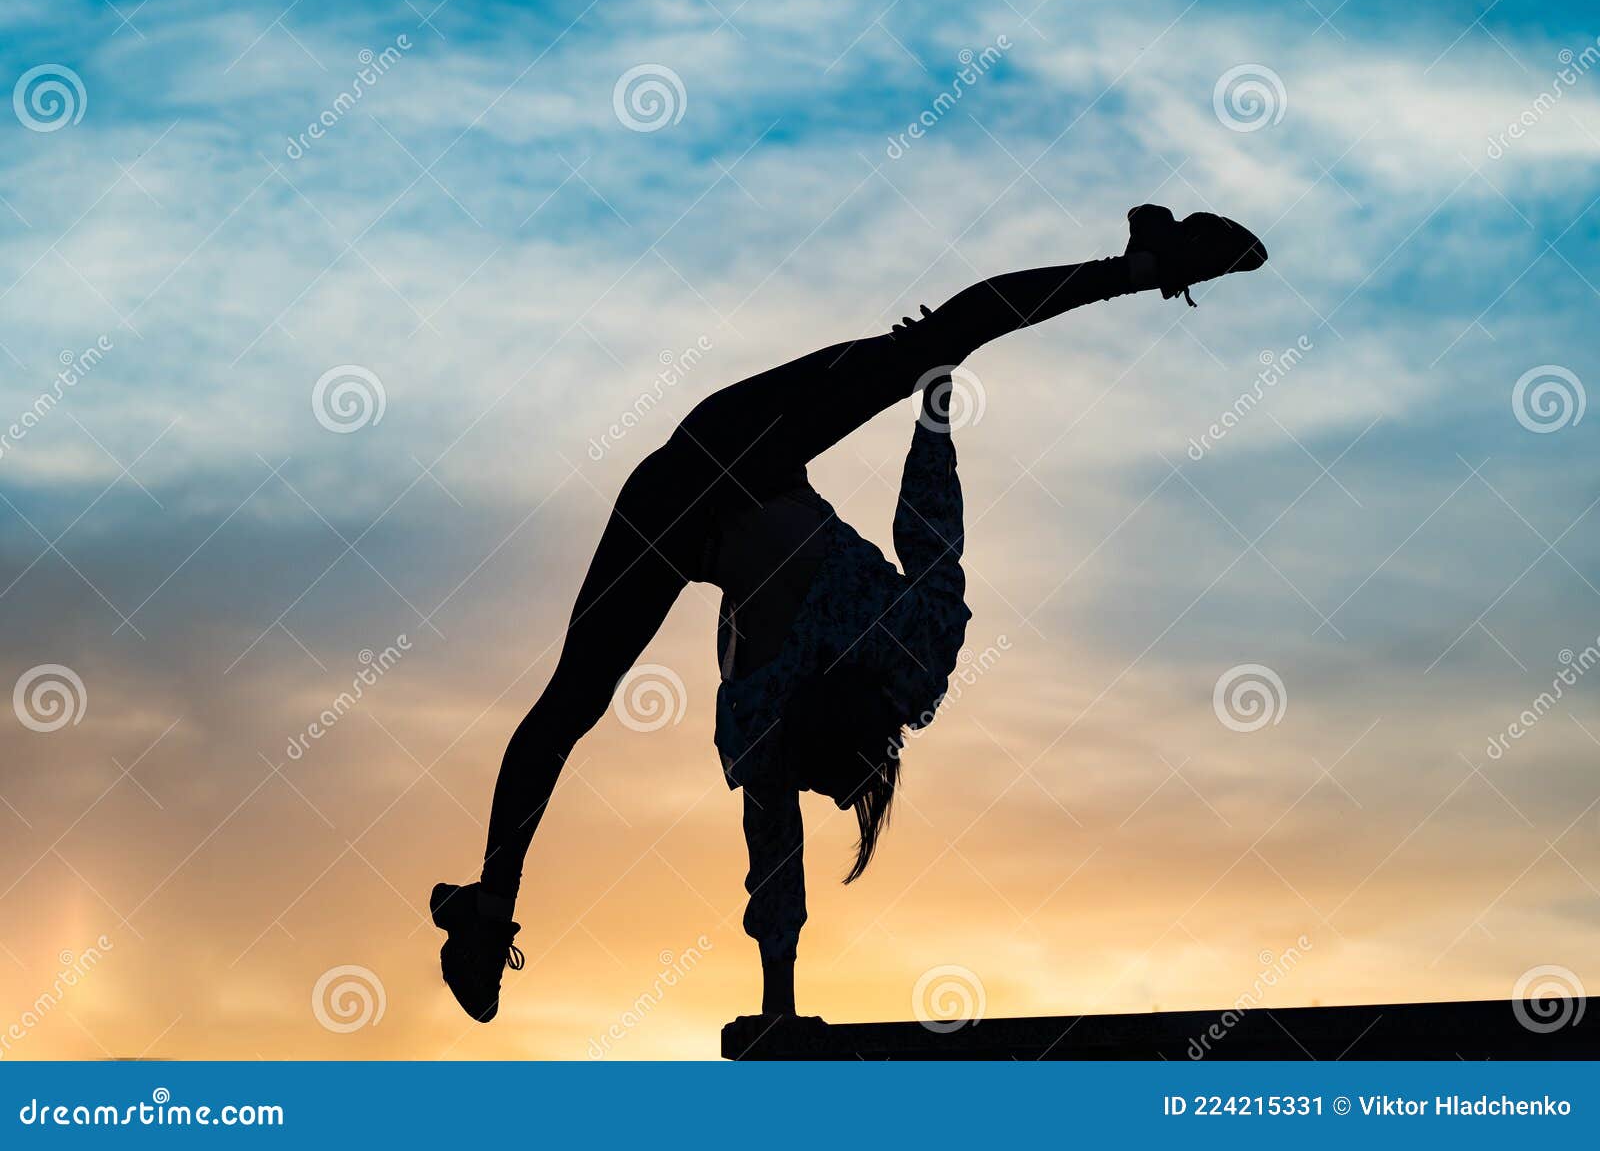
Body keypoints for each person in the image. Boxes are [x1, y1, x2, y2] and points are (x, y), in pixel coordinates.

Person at [429, 204, 1268, 1022]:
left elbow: (776, 862)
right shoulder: (828, 693)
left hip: (692, 495)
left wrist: (780, 1011)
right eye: (828, 788)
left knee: (570, 707)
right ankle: (1146, 265)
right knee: (568, 708)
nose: (815, 797)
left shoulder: (881, 670)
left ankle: (486, 907)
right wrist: (931, 404)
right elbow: (778, 849)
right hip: (736, 462)